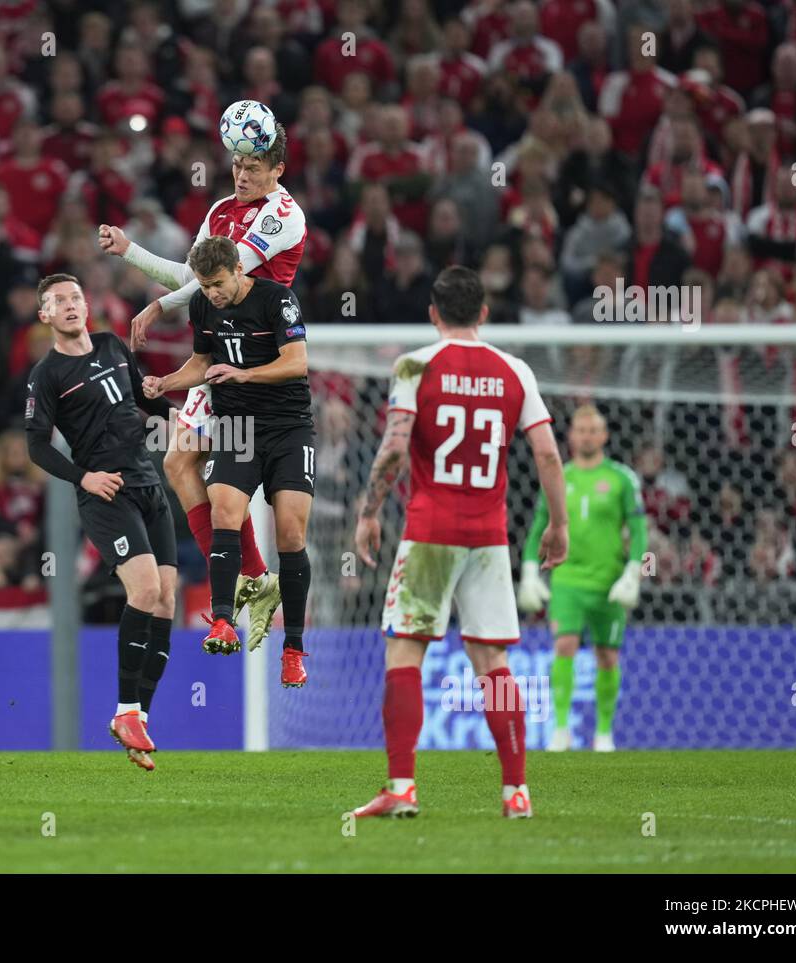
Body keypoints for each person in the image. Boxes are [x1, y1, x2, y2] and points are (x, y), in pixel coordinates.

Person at [351, 266, 569, 820]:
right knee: (492, 662)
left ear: (433, 313)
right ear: (484, 314)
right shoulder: (514, 370)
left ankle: (402, 787)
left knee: (405, 652)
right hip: (489, 536)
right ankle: (516, 791)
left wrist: (369, 509)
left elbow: (397, 447)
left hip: (429, 531)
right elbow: (546, 453)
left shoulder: (415, 365)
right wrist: (558, 523)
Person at [98, 116, 305, 649]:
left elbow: (215, 283)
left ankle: (256, 581)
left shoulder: (283, 215)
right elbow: (196, 280)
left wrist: (148, 285)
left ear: (277, 169)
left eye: (253, 168)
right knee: (177, 461)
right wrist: (133, 254)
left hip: (255, 355)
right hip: (216, 348)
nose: (241, 175)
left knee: (211, 477)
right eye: (236, 164)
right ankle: (257, 580)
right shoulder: (218, 211)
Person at [143, 236, 315, 687]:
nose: (212, 293)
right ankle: (222, 620)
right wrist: (167, 383)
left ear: (239, 269)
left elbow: (297, 363)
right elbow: (202, 362)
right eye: (204, 285)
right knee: (224, 509)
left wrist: (244, 374)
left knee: (292, 534)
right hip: (238, 427)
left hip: (288, 428)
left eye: (218, 283)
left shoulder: (278, 300)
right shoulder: (203, 305)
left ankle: (293, 649)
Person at [25, 273, 177, 771]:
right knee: (146, 592)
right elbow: (36, 445)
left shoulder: (113, 345)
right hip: (106, 494)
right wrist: (82, 478)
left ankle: (139, 723)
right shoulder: (46, 375)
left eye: (76, 297)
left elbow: (146, 400)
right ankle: (125, 711)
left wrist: (179, 412)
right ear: (45, 314)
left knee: (166, 602)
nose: (71, 305)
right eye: (59, 301)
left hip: (148, 483)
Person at [518, 405, 647, 752]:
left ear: (604, 436)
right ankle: (561, 730)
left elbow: (638, 530)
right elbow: (537, 527)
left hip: (609, 583)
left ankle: (603, 733)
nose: (587, 436)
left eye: (594, 430)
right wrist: (529, 571)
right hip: (568, 580)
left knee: (607, 657)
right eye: (581, 429)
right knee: (564, 646)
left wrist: (634, 572)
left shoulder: (623, 478)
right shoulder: (559, 477)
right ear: (571, 435)